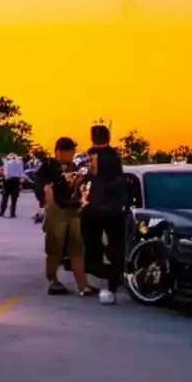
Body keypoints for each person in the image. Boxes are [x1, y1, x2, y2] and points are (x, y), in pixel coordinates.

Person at [37, 137, 92, 296]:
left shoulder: (77, 166)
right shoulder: (49, 166)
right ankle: (52, 280)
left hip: (74, 209)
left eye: (72, 151)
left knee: (77, 249)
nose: (70, 154)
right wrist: (46, 202)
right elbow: (43, 187)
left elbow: (83, 186)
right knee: (55, 249)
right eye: (68, 151)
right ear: (58, 152)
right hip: (57, 210)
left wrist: (78, 181)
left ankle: (82, 284)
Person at [83, 125, 129, 305]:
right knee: (115, 247)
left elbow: (91, 177)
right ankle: (112, 282)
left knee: (91, 243)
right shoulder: (115, 157)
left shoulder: (92, 155)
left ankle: (97, 276)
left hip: (97, 207)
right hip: (115, 209)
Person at [0, 153, 25, 218]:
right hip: (16, 181)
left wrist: (4, 181)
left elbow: (6, 173)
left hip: (8, 181)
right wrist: (20, 182)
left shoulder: (7, 163)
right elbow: (21, 173)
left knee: (5, 197)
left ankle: (2, 212)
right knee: (14, 199)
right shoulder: (19, 163)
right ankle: (12, 213)